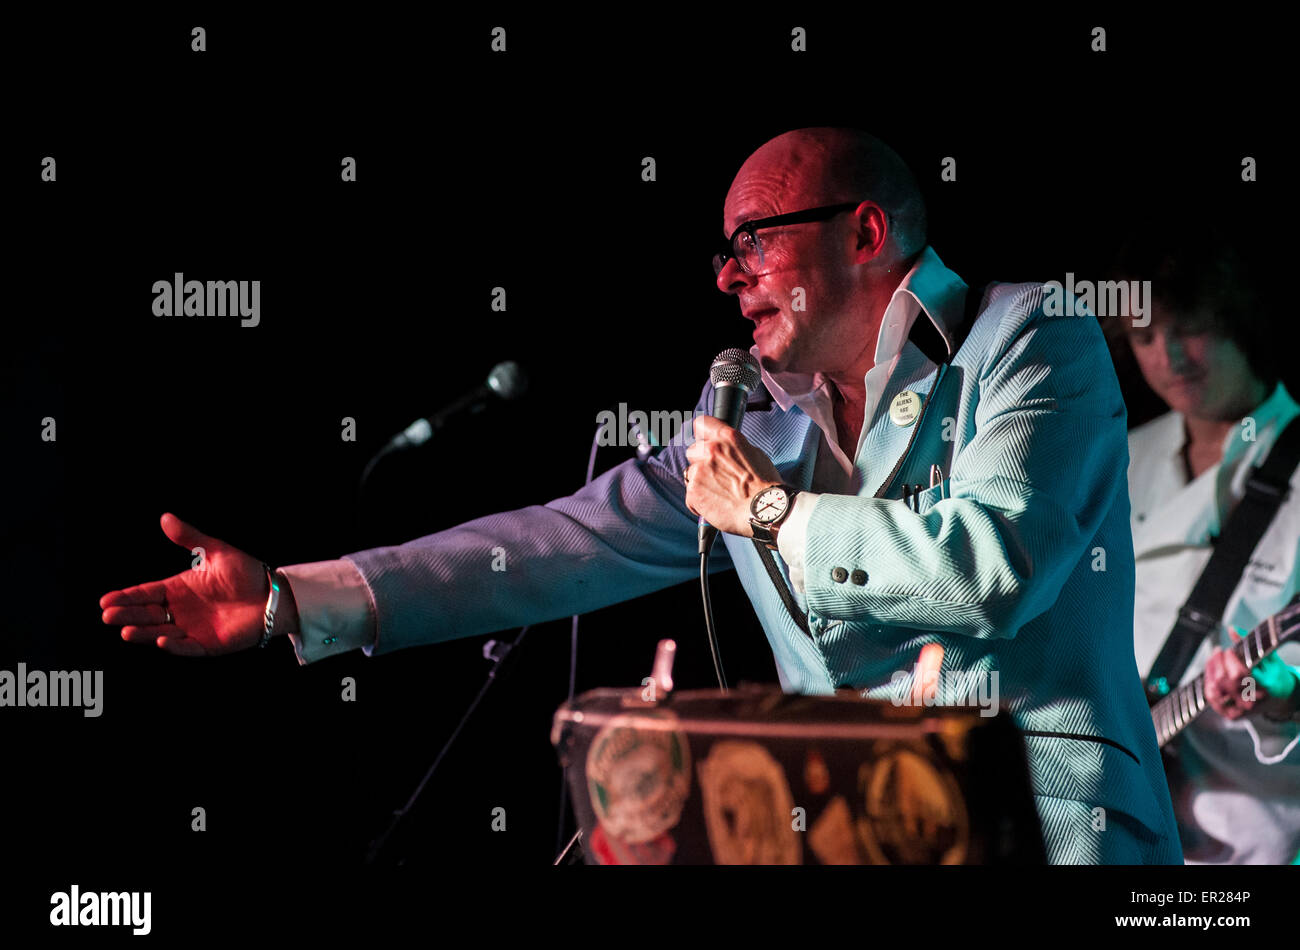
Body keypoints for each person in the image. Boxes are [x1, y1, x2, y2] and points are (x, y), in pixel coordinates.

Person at [100, 127, 1182, 864]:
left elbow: (991, 570)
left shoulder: (1030, 337)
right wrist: (293, 597)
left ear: (864, 233)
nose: (726, 274)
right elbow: (547, 544)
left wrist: (771, 514)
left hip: (1049, 840)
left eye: (753, 240)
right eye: (722, 251)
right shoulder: (755, 421)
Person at [1112, 226, 1300, 864]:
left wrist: (1280, 695)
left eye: (1189, 328)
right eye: (1143, 338)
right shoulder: (1123, 458)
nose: (1170, 359)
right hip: (1127, 819)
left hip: (1256, 828)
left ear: (1237, 318)